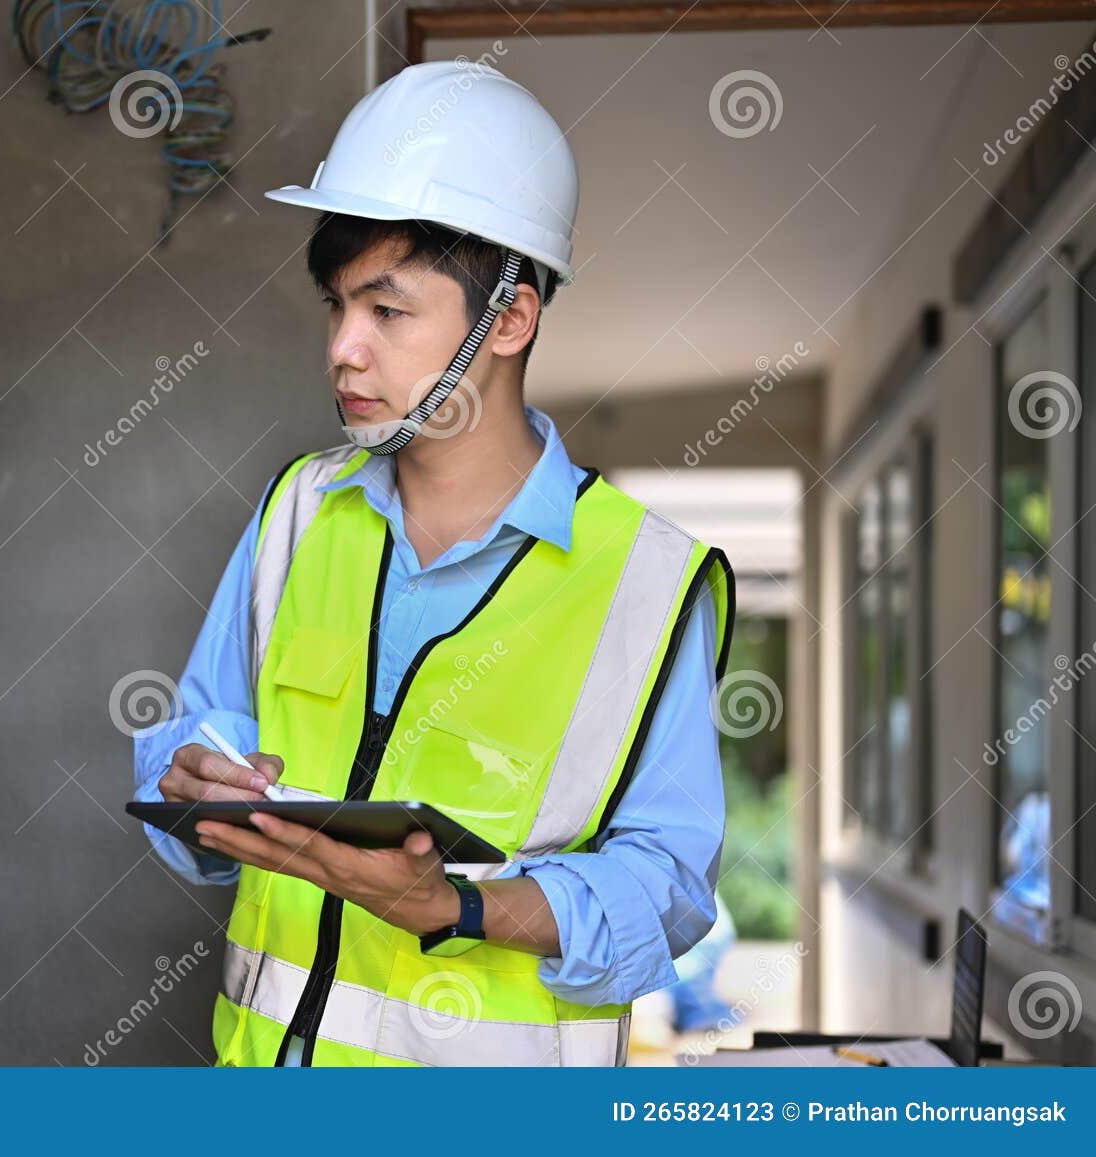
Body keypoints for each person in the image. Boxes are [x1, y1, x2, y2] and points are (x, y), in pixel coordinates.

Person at [131, 60, 734, 1067]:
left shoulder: (644, 580)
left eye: (387, 311)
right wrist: (191, 777)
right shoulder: (298, 511)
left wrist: (459, 905)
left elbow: (665, 886)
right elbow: (199, 730)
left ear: (509, 318)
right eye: (336, 306)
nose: (343, 349)